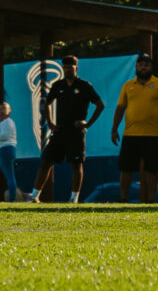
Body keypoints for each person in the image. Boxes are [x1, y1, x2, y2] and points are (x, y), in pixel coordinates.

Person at [29, 56, 105, 203]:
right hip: (60, 131)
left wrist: (87, 124)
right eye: (65, 67)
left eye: (70, 67)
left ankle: (74, 198)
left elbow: (100, 105)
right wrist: (50, 123)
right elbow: (47, 103)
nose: (67, 70)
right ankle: (34, 196)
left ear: (76, 68)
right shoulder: (58, 85)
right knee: (46, 161)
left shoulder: (84, 85)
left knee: (77, 165)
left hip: (76, 132)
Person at [111, 53, 158, 203]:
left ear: (151, 67)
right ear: (136, 67)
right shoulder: (128, 85)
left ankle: (151, 200)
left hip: (152, 134)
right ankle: (123, 199)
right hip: (131, 133)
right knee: (126, 168)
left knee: (152, 169)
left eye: (146, 65)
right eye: (140, 65)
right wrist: (114, 129)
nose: (143, 67)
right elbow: (120, 108)